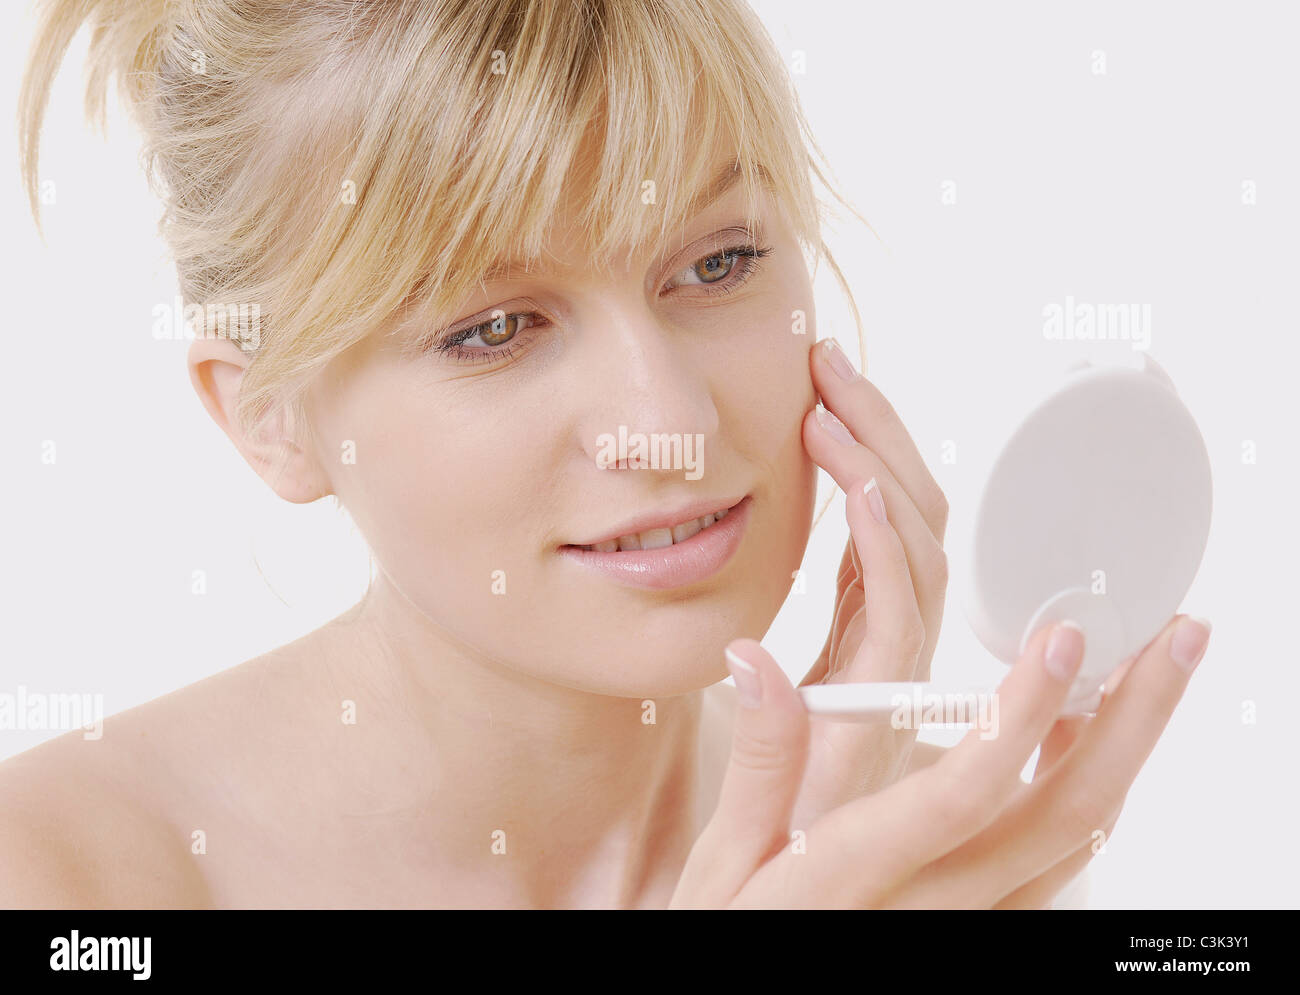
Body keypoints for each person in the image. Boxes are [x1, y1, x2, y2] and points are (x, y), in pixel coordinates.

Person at [5, 0, 1210, 908]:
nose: (668, 420)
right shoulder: (67, 876)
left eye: (718, 263)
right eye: (493, 328)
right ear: (265, 413)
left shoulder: (917, 856)